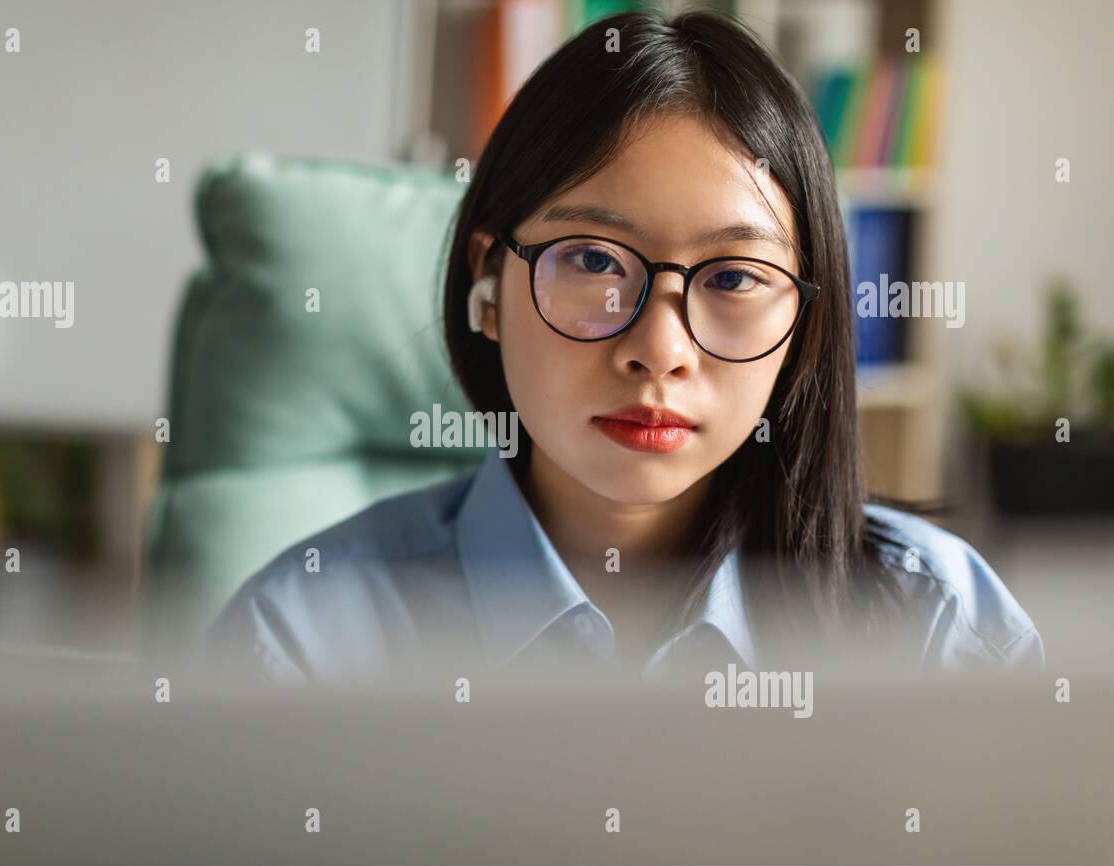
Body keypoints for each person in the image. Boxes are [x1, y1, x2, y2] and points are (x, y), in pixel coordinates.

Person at [207, 10, 1042, 683]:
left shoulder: (944, 628)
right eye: (595, 261)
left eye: (734, 276)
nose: (660, 349)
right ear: (489, 284)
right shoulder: (303, 640)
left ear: (804, 324)